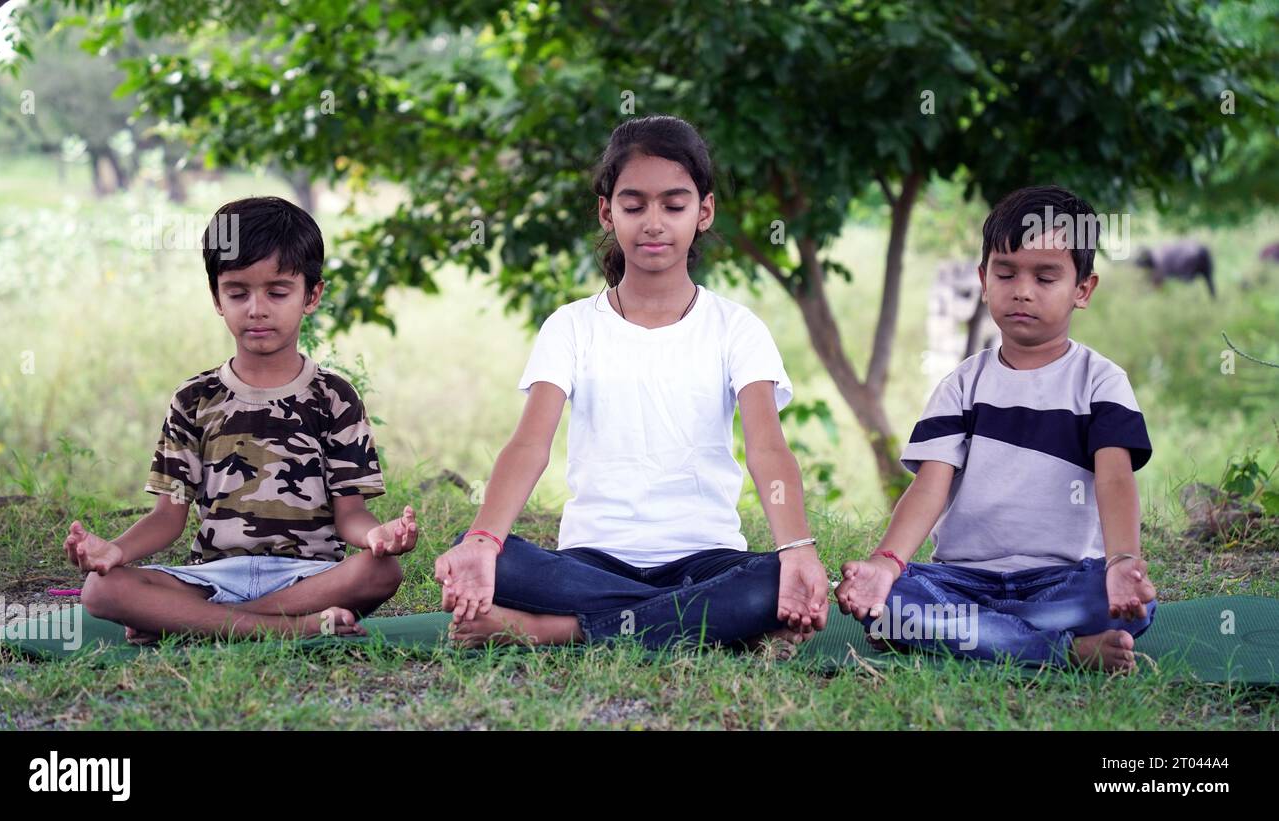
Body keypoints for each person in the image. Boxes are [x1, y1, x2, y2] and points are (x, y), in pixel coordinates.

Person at [434, 115, 830, 650]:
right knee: (489, 556)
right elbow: (530, 445)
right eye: (633, 204)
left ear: (704, 212)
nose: (653, 222)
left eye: (674, 204)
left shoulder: (737, 328)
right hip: (592, 560)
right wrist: (482, 542)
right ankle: (699, 625)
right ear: (607, 211)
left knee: (766, 580)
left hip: (703, 560)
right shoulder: (571, 326)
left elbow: (767, 449)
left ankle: (552, 631)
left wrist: (798, 549)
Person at [837, 185, 1158, 672]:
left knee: (1117, 604)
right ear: (984, 280)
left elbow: (1116, 479)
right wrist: (886, 564)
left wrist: (1121, 564)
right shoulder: (962, 385)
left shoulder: (1101, 382)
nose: (1022, 290)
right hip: (962, 581)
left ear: (1082, 289)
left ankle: (972, 635)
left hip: (1062, 581)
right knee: (893, 603)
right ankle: (1062, 651)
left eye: (1045, 276)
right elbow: (929, 488)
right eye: (1006, 273)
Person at [67, 196, 416, 644]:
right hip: (213, 576)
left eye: (277, 291)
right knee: (102, 589)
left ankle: (195, 622)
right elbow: (167, 518)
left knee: (381, 571)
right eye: (237, 292)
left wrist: (378, 536)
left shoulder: (335, 398)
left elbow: (351, 514)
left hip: (309, 578)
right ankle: (289, 629)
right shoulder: (193, 399)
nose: (256, 309)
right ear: (216, 297)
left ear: (312, 295)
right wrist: (114, 549)